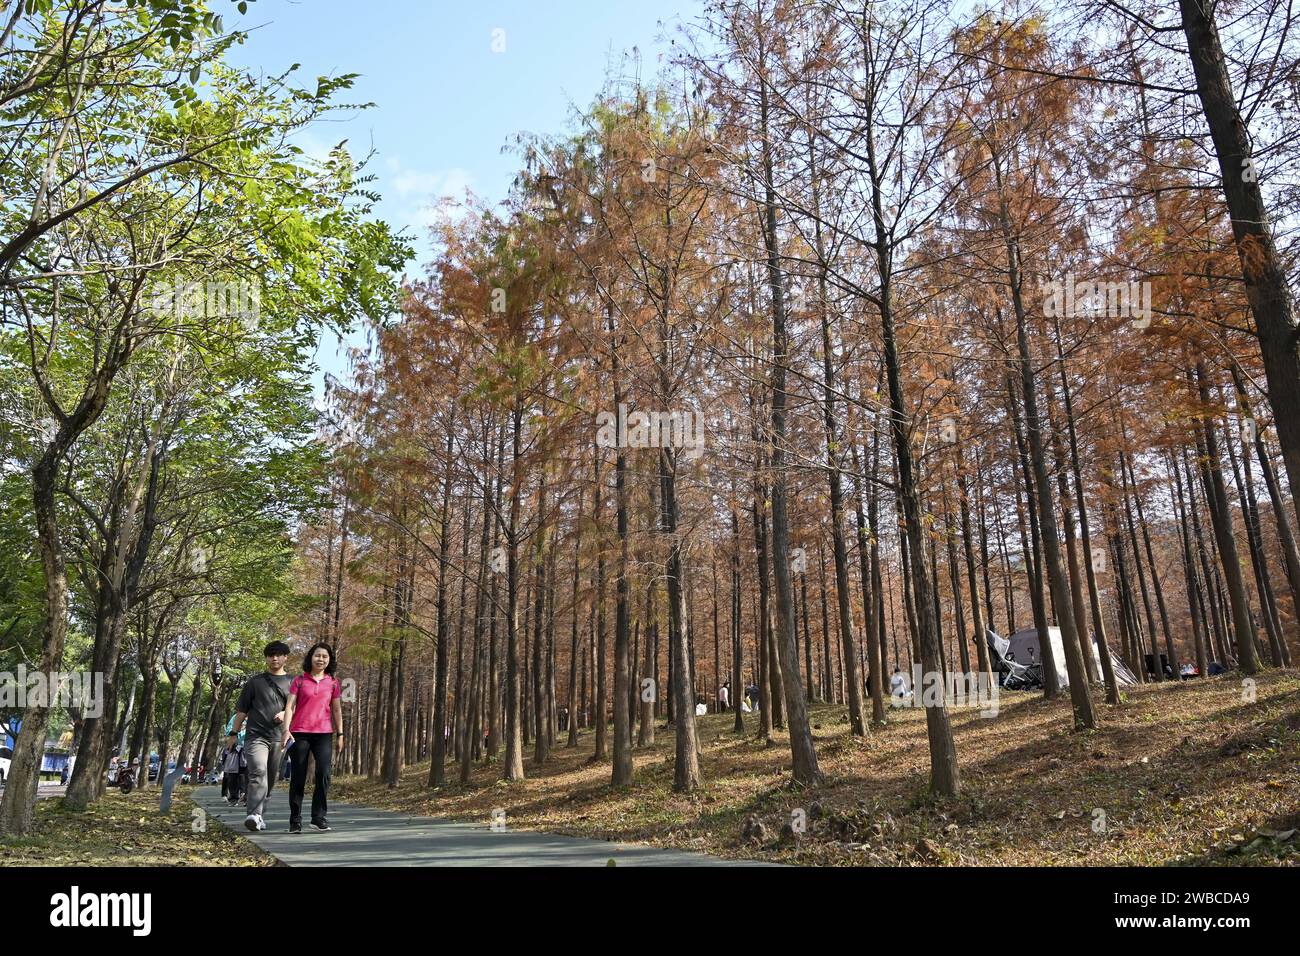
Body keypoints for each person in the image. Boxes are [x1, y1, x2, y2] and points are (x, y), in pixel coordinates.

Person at [230, 640, 293, 832]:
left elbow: (301, 707)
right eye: (270, 655)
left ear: (285, 657)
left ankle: (260, 815)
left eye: (278, 654)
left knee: (271, 777)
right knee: (258, 771)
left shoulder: (293, 682)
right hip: (255, 736)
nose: (274, 658)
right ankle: (254, 814)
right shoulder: (254, 682)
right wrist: (233, 733)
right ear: (266, 658)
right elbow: (241, 710)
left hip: (279, 737)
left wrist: (286, 713)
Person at [281, 642, 344, 834]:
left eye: (325, 656)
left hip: (324, 733)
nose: (321, 659)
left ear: (329, 660)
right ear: (311, 657)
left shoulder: (333, 682)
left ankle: (318, 818)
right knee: (298, 776)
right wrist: (286, 730)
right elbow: (289, 707)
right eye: (318, 655)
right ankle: (295, 820)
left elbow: (336, 709)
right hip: (299, 732)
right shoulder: (299, 681)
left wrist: (341, 733)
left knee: (324, 774)